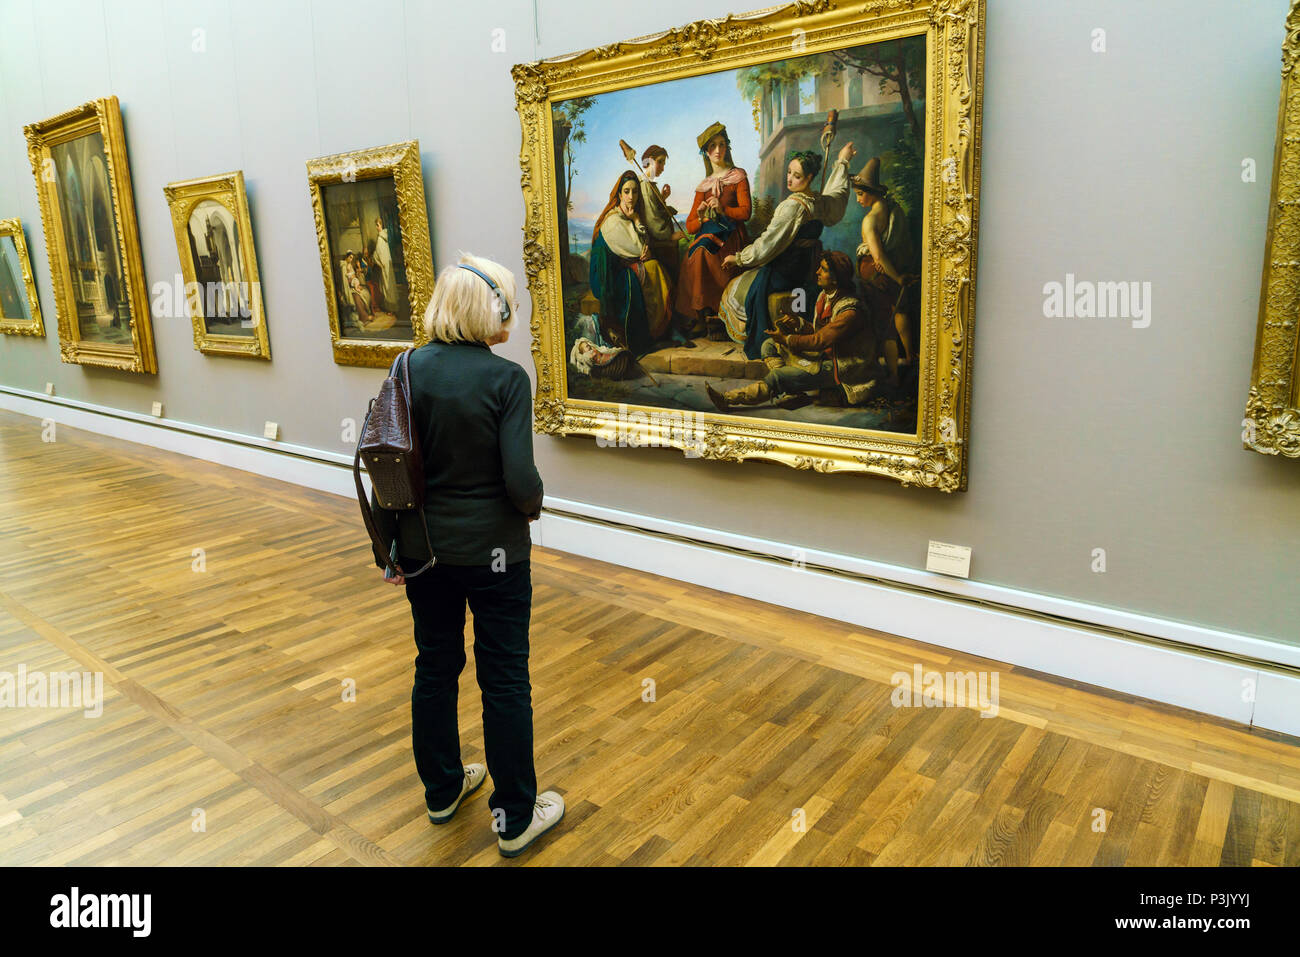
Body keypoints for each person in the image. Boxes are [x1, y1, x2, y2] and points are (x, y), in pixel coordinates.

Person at [368, 252, 564, 858]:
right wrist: (534, 505)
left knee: (435, 665)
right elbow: (520, 482)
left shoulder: (405, 369)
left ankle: (443, 791)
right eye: (507, 302)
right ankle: (514, 819)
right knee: (504, 676)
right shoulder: (507, 380)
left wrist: (392, 547)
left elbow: (386, 462)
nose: (512, 313)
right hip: (498, 557)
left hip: (424, 553)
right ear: (490, 310)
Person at [718, 141, 857, 360]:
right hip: (810, 266)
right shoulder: (818, 202)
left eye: (798, 175)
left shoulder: (793, 206)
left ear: (810, 178)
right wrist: (842, 162)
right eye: (789, 172)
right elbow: (837, 195)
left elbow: (768, 245)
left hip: (790, 270)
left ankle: (764, 342)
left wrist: (738, 258)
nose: (790, 178)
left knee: (753, 285)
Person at [706, 250, 874, 410]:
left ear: (836, 279)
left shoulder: (849, 311)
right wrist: (799, 323)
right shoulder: (825, 296)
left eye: (823, 269)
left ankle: (729, 399)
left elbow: (820, 340)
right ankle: (792, 390)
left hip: (840, 366)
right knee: (769, 345)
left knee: (779, 377)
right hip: (822, 355)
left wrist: (787, 340)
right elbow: (818, 330)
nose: (817, 272)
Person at [675, 122, 751, 342]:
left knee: (702, 253)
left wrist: (723, 209)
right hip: (709, 234)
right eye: (712, 147)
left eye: (722, 144)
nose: (718, 151)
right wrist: (700, 216)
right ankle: (701, 315)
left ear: (727, 147)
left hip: (732, 235)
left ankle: (717, 315)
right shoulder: (704, 185)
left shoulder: (738, 176)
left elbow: (746, 212)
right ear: (705, 153)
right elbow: (690, 226)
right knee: (694, 252)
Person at [588, 170, 675, 357]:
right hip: (606, 276)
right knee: (654, 270)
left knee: (656, 269)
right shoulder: (613, 220)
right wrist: (637, 223)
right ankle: (650, 334)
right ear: (619, 194)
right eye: (626, 192)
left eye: (635, 192)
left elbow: (641, 247)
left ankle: (659, 329)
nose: (631, 197)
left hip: (621, 267)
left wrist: (637, 225)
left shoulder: (629, 215)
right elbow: (638, 249)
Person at [852, 157, 920, 389]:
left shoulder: (870, 220)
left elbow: (878, 256)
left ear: (871, 192)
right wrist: (899, 272)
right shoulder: (893, 210)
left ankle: (893, 375)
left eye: (860, 194)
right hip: (894, 268)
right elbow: (899, 245)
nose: (858, 199)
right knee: (900, 312)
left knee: (885, 324)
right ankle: (910, 356)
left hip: (878, 274)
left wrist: (897, 277)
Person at [373, 215, 397, 312]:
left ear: (380, 225)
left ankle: (391, 308)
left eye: (377, 225)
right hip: (386, 264)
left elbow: (379, 253)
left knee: (388, 286)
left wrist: (378, 261)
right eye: (376, 225)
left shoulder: (380, 238)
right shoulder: (383, 236)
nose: (376, 227)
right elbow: (378, 252)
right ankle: (391, 308)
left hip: (385, 265)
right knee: (387, 285)